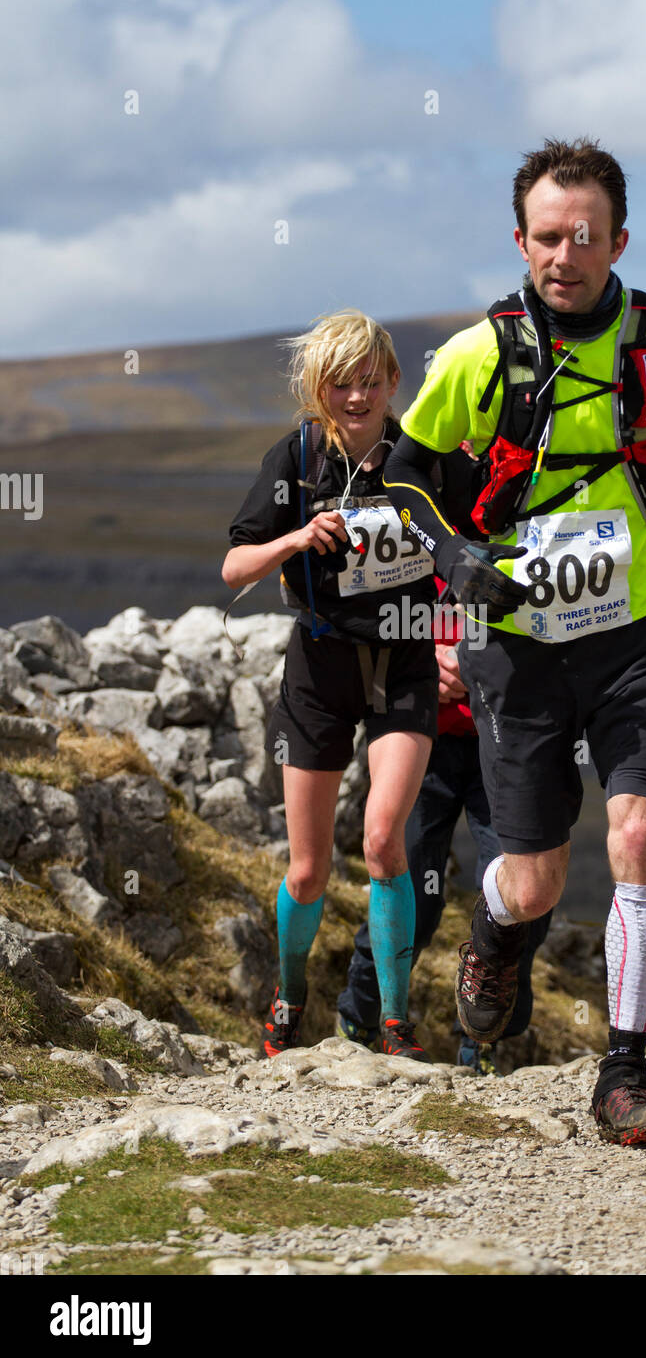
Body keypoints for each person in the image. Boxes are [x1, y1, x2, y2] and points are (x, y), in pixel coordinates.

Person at [381, 138, 646, 1144]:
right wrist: (455, 555)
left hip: (637, 634)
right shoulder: (476, 357)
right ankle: (498, 930)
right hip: (519, 645)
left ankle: (622, 1072)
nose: (565, 253)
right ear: (520, 240)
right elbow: (404, 474)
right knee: (536, 877)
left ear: (617, 240)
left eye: (584, 235)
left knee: (636, 827)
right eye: (547, 236)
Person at [222, 308, 441, 1062]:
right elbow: (234, 569)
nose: (357, 396)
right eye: (341, 383)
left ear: (393, 381)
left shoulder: (420, 454)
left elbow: (480, 530)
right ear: (318, 387)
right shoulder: (295, 458)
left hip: (406, 663)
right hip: (318, 668)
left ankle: (395, 1022)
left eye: (370, 381)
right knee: (310, 870)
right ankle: (290, 1000)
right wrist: (295, 536)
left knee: (383, 842)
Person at [336, 567, 552, 1074]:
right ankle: (359, 1020)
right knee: (411, 892)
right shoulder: (408, 535)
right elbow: (356, 625)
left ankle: (487, 1039)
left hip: (502, 742)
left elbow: (556, 634)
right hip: (418, 738)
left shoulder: (517, 529)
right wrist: (421, 663)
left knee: (522, 893)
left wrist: (474, 665)